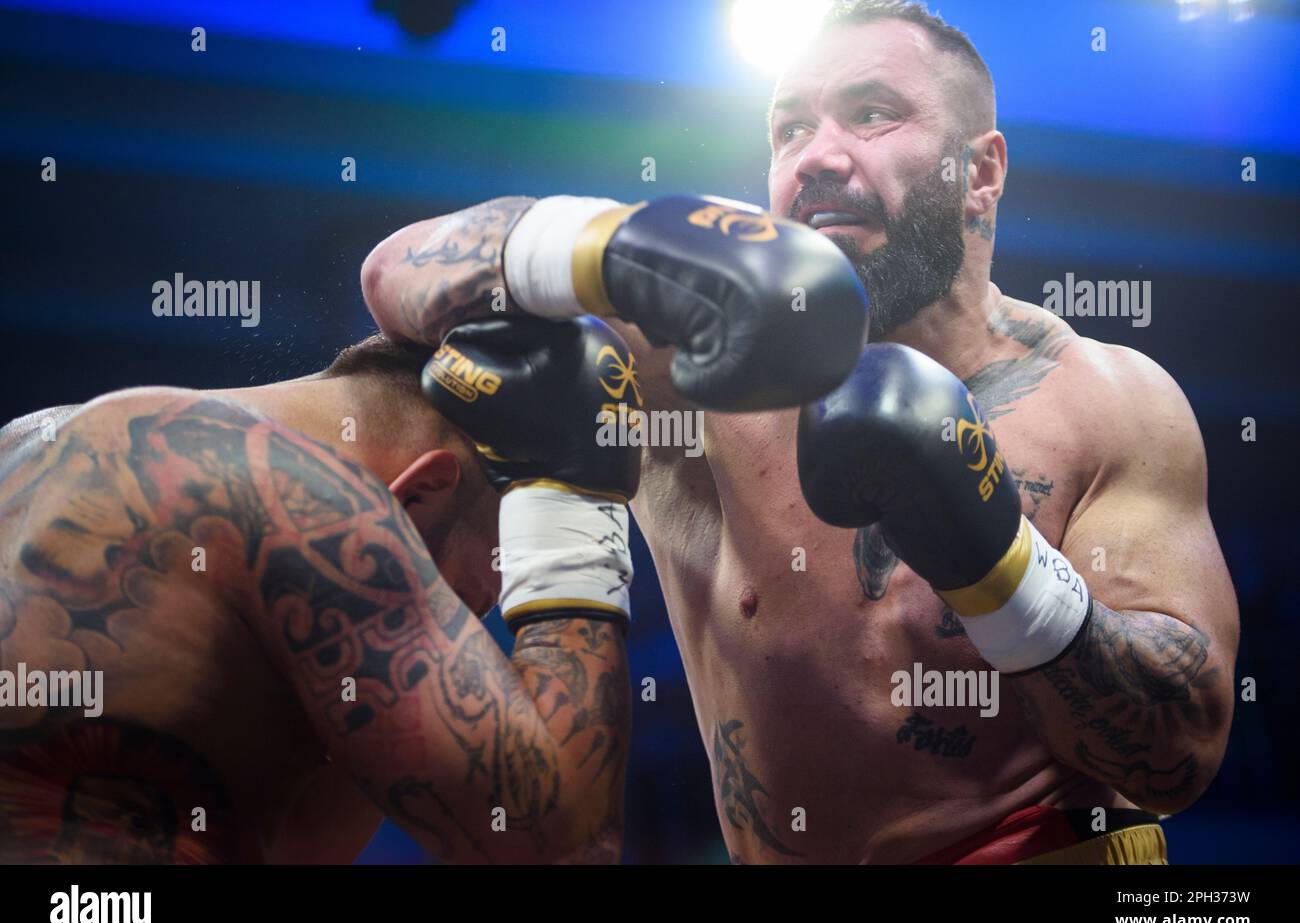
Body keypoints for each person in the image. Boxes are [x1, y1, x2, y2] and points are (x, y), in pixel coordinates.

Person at [362, 0, 1238, 864]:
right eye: (787, 131)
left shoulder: (1108, 400)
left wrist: (1002, 571)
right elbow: (395, 275)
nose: (816, 157)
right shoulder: (692, 374)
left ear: (981, 172)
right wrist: (603, 247)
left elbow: (1179, 753)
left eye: (870, 114)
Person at [0, 320, 637, 864]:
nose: (476, 623)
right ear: (419, 497)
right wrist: (576, 518)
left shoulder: (25, 449)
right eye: (489, 587)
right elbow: (564, 843)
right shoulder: (314, 500)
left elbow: (295, 846)